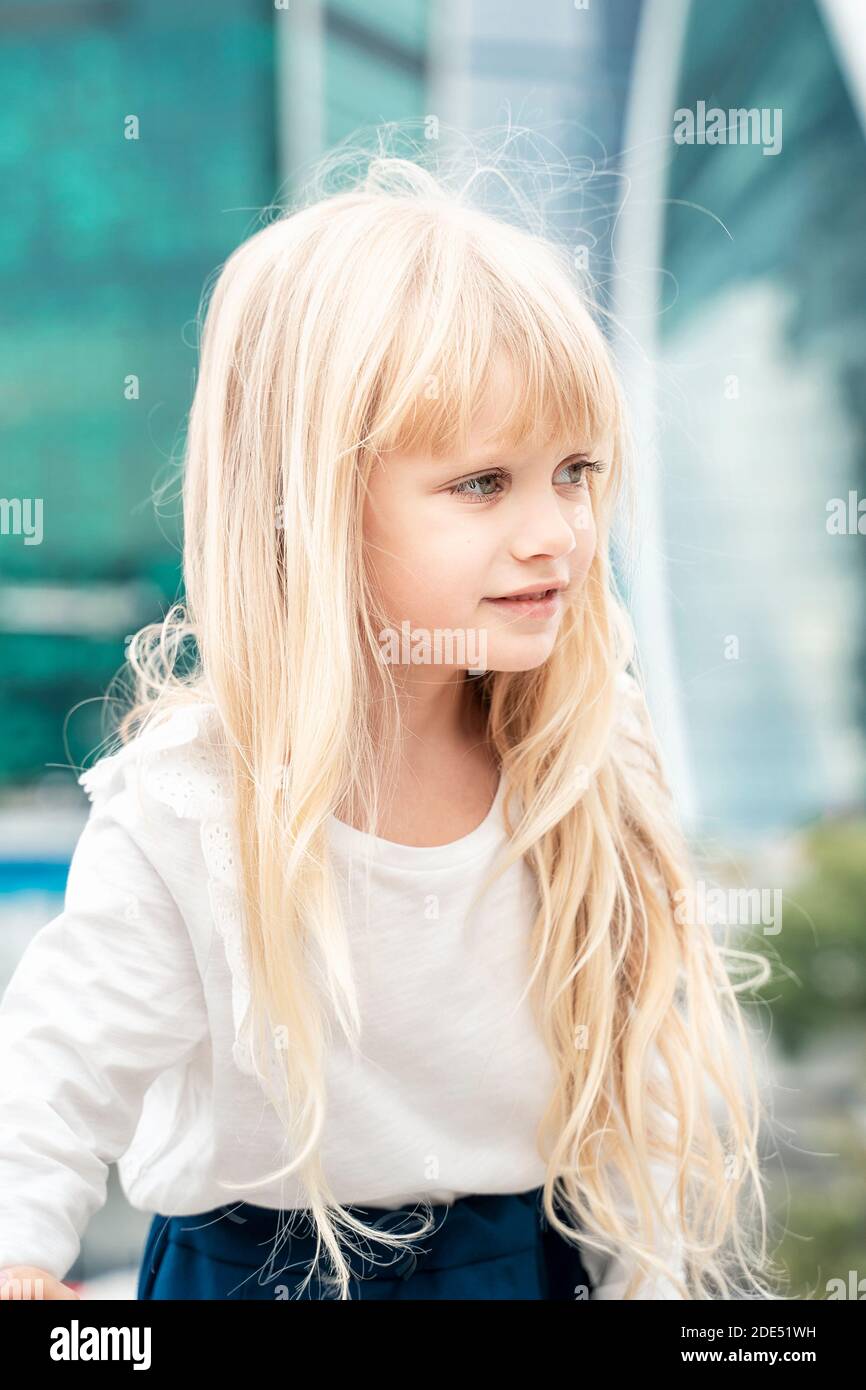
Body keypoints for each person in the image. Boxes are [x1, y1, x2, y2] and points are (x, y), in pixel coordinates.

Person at [0, 140, 775, 1301]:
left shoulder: (584, 753)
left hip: (524, 1263)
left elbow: (635, 1099)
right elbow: (56, 1069)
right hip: (253, 1273)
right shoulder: (186, 804)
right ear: (309, 503)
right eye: (481, 483)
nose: (554, 531)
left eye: (572, 471)